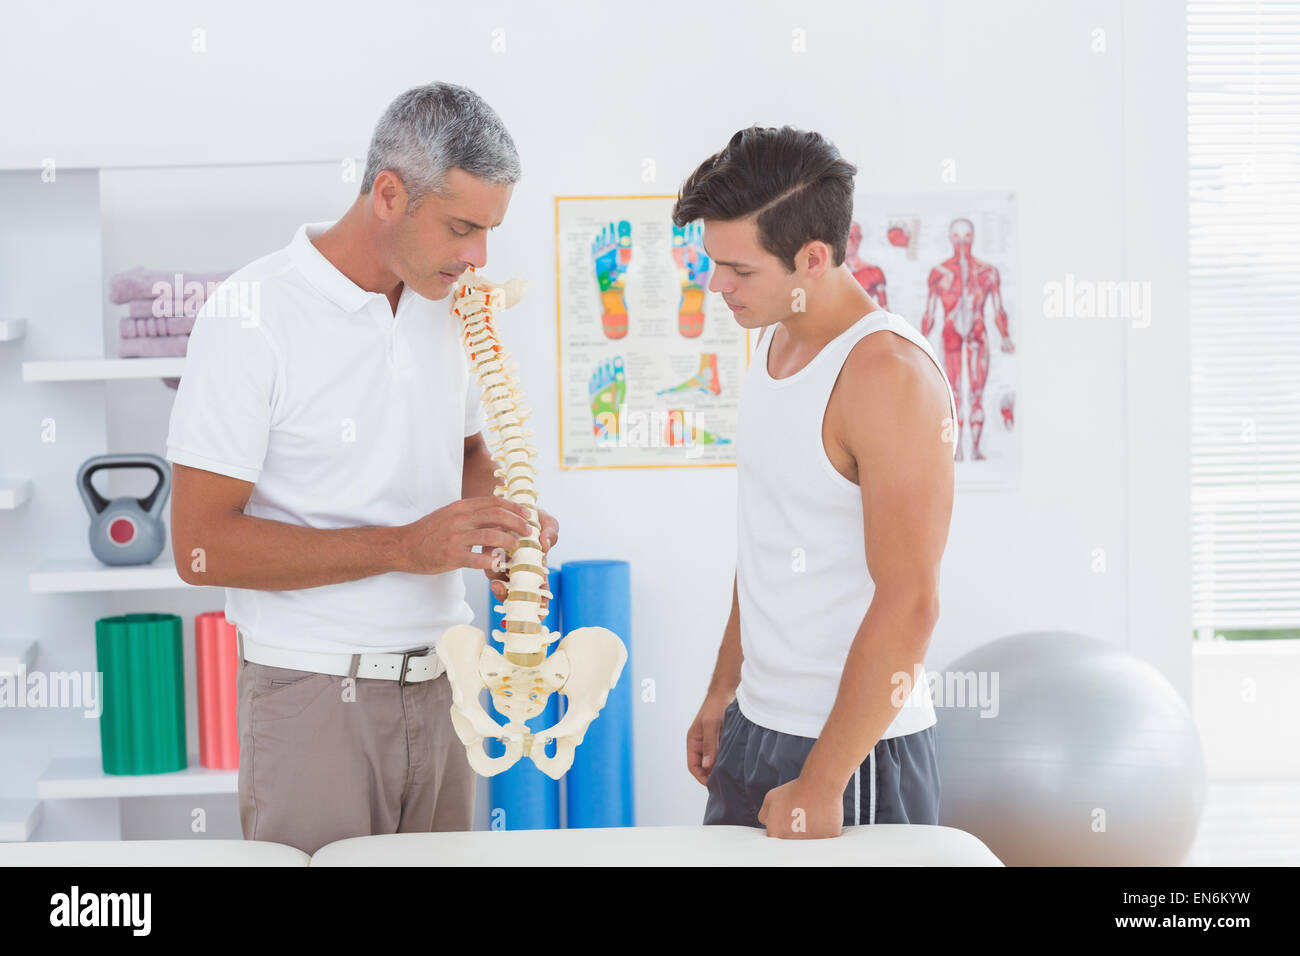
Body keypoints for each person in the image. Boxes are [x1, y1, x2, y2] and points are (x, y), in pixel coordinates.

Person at [166, 82, 554, 855]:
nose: (478, 256)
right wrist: (404, 548)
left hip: (448, 686)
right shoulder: (251, 315)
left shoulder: (449, 305)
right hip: (313, 699)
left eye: (490, 231)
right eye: (461, 227)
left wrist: (498, 533)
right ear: (387, 194)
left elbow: (471, 449)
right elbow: (200, 548)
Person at [679, 126, 958, 839]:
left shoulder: (886, 376)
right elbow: (772, 542)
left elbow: (912, 602)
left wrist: (825, 779)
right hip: (758, 725)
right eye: (715, 264)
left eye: (738, 269)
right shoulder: (775, 337)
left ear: (812, 258)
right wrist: (724, 688)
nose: (718, 286)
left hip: (853, 755)